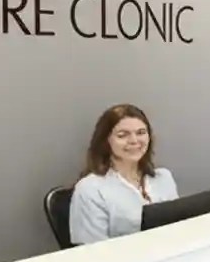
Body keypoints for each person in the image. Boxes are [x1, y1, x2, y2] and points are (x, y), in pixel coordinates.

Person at [69, 104, 179, 245]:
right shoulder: (90, 189)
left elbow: (177, 229)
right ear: (106, 141)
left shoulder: (163, 178)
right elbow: (92, 251)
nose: (134, 141)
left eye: (141, 133)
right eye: (122, 135)